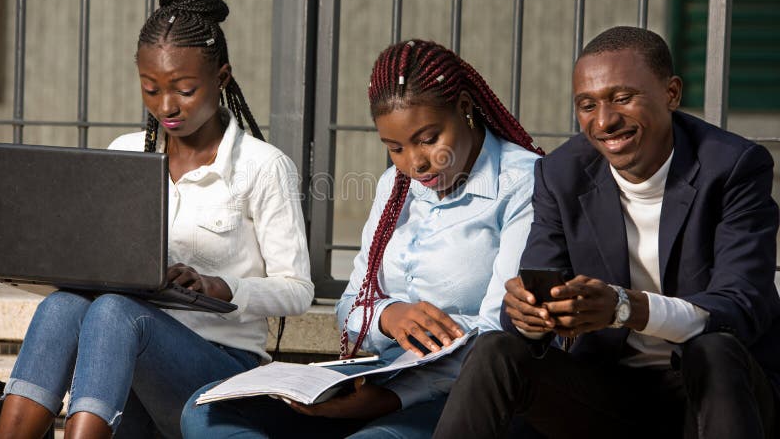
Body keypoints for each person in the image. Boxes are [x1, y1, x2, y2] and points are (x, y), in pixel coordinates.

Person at [0, 0, 314, 439]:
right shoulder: (124, 153)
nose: (166, 105)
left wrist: (219, 286)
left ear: (220, 78)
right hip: (124, 371)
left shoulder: (265, 167)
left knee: (114, 312)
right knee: (65, 306)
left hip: (216, 370)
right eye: (150, 88)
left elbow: (297, 290)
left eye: (184, 89)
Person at [181, 39, 544, 438]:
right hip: (375, 377)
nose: (415, 162)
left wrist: (392, 398)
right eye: (395, 148)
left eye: (428, 138)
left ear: (464, 107)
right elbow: (350, 306)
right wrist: (388, 317)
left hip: (459, 396)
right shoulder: (396, 185)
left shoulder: (523, 183)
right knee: (207, 409)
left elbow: (500, 339)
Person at [433, 26, 780, 439]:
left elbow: (741, 307)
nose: (604, 121)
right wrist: (529, 314)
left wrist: (625, 307)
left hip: (718, 396)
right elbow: (536, 288)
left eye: (622, 98)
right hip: (611, 396)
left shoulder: (734, 167)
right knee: (496, 349)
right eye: (587, 104)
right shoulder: (561, 174)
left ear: (671, 93)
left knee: (715, 348)